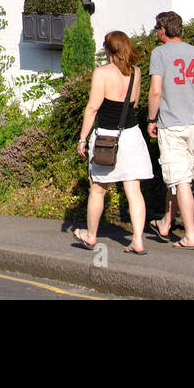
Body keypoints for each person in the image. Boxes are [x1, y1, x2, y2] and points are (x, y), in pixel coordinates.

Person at [146, 10, 194, 249]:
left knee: (180, 181)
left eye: (157, 29)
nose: (156, 33)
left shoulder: (159, 54)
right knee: (180, 176)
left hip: (173, 126)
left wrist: (151, 119)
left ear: (163, 29)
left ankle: (190, 235)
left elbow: (156, 92)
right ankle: (166, 223)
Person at [74, 30, 153, 255]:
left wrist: (82, 139)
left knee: (98, 189)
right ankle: (137, 240)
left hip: (106, 138)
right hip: (131, 135)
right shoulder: (136, 73)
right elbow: (135, 103)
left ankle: (90, 235)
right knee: (134, 190)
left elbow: (92, 107)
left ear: (108, 50)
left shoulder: (101, 73)